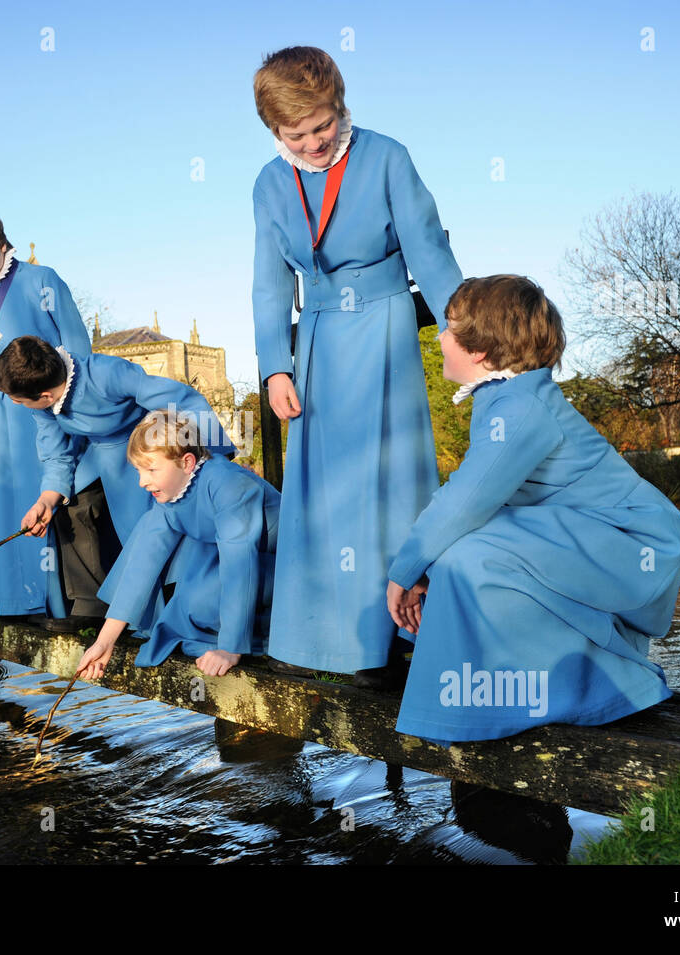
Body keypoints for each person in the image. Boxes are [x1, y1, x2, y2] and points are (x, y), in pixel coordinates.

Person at [385, 275, 680, 745]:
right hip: (587, 534)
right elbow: (469, 501)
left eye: (448, 327)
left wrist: (403, 572)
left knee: (469, 551)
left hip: (631, 540)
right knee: (466, 552)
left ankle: (599, 685)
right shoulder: (506, 398)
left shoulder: (521, 407)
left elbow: (465, 499)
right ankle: (506, 692)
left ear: (480, 350)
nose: (440, 336)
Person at [250, 45, 463, 686]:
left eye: (323, 126)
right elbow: (267, 282)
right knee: (325, 492)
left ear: (340, 108)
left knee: (392, 480)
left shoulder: (388, 156)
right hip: (314, 337)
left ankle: (405, 632)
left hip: (384, 324)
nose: (314, 144)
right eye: (297, 135)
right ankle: (334, 641)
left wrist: (468, 332)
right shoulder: (267, 183)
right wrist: (275, 367)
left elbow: (430, 251)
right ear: (274, 132)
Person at [0, 210, 100, 624]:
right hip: (5, 420)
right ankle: (19, 601)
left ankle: (58, 602)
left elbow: (77, 344)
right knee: (13, 504)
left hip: (48, 409)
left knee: (50, 497)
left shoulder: (42, 280)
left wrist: (72, 405)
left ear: (1, 244)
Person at [76, 410, 279, 679]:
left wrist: (230, 649)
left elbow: (241, 568)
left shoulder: (228, 484)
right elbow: (141, 565)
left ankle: (260, 632)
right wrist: (105, 641)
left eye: (151, 469)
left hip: (283, 564)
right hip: (237, 560)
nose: (142, 481)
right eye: (138, 470)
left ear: (187, 462)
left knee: (204, 600)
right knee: (192, 603)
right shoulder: (171, 496)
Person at [0, 334, 237, 547]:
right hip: (101, 459)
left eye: (17, 399)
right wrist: (45, 501)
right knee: (76, 510)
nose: (14, 403)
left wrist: (217, 461)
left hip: (147, 448)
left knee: (163, 531)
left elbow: (182, 400)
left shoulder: (105, 373)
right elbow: (56, 455)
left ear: (46, 396)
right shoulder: (43, 408)